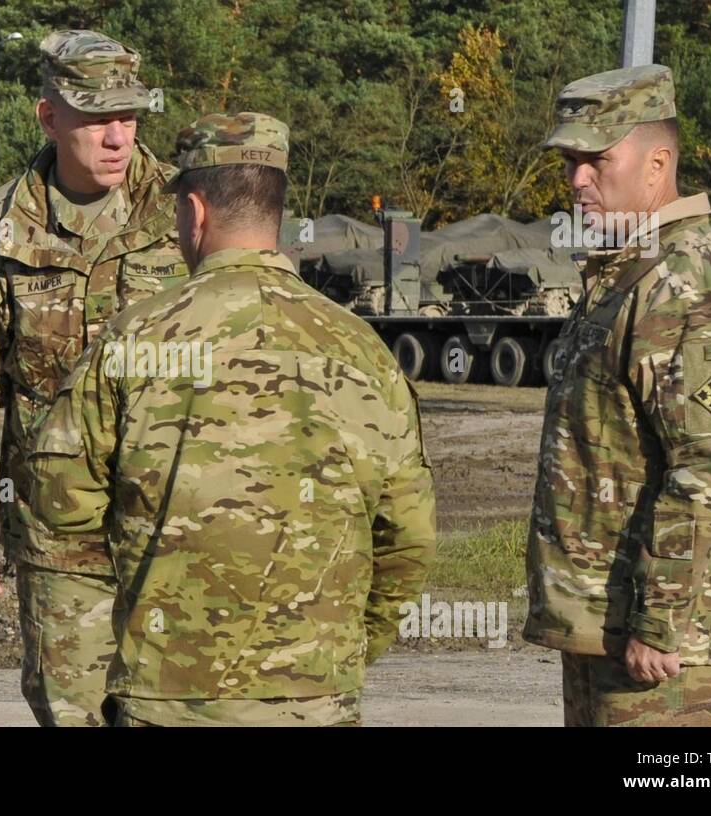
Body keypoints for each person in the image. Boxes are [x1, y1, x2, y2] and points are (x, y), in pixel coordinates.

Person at [23, 112, 437, 726]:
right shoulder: (365, 353)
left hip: (162, 704)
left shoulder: (129, 344)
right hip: (314, 705)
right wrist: (336, 659)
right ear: (275, 215)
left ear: (194, 212)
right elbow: (407, 540)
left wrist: (77, 704)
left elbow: (60, 533)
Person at [0, 30, 188, 726]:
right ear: (49, 117)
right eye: (98, 119)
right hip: (59, 534)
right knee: (74, 715)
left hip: (183, 524)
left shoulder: (187, 214)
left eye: (129, 118)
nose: (117, 138)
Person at [523, 65, 711, 726]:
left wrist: (662, 620)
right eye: (571, 161)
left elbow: (707, 472)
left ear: (657, 162)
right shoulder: (629, 275)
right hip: (608, 628)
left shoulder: (693, 287)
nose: (577, 180)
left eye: (596, 160)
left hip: (665, 656)